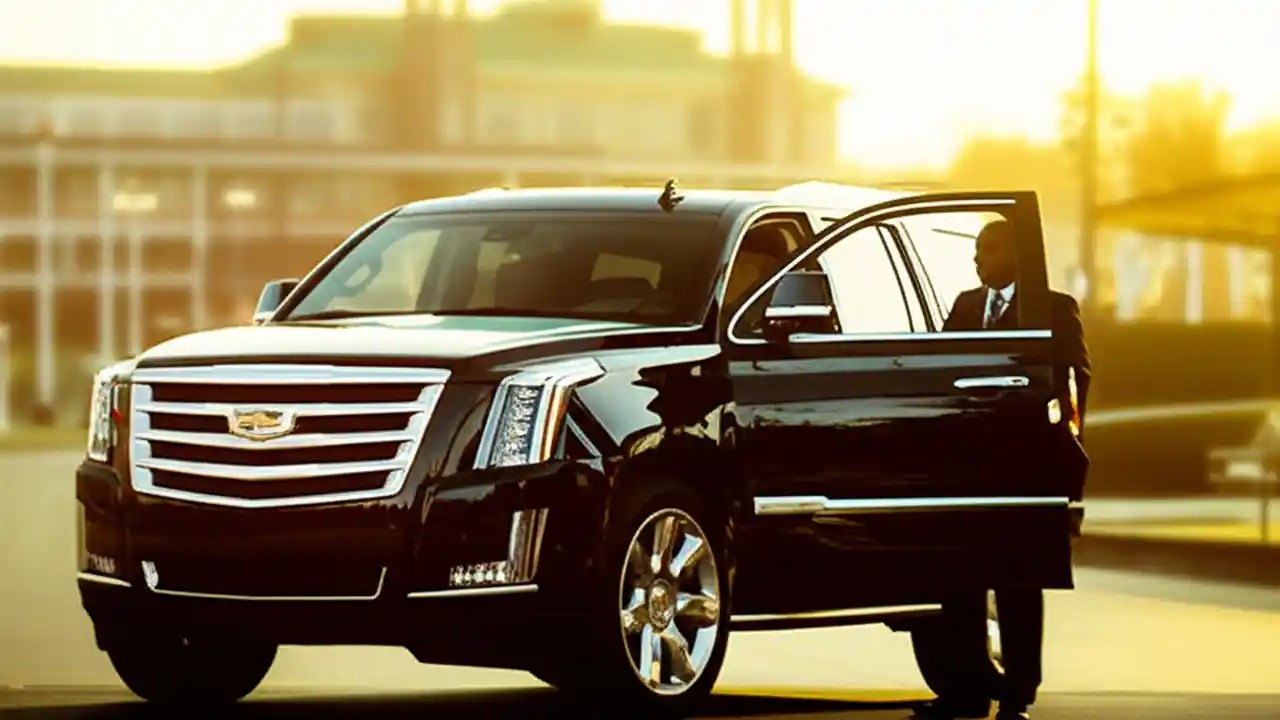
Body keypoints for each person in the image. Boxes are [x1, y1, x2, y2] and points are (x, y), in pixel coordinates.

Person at [926, 218, 1091, 720]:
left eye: (989, 249)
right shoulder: (965, 306)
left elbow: (1076, 380)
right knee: (961, 582)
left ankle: (1018, 694)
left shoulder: (1053, 309)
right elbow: (940, 372)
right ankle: (967, 691)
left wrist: (1060, 445)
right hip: (967, 469)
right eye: (976, 249)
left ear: (1018, 253)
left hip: (1023, 466)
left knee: (1018, 583)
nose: (978, 259)